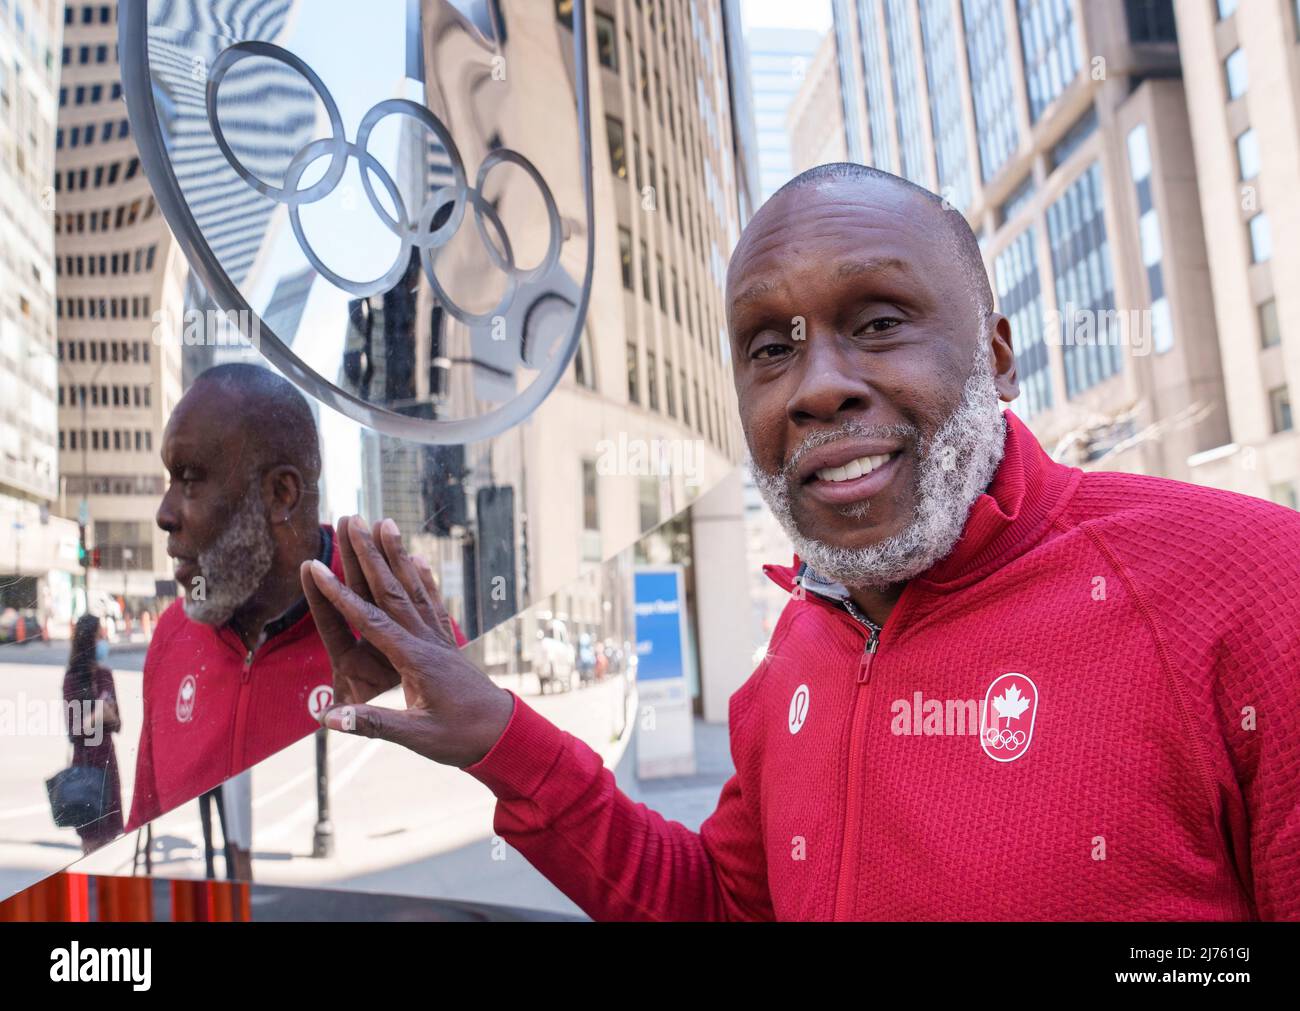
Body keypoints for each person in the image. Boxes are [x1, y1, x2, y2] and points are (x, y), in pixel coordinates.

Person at [300, 164, 1300, 921]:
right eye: (770, 348)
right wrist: (500, 741)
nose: (817, 385)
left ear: (996, 355)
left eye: (876, 321)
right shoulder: (798, 649)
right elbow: (720, 907)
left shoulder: (1255, 590)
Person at [125, 363, 467, 849]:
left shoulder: (399, 629)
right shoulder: (171, 635)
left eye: (190, 479)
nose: (164, 514)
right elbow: (147, 838)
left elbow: (483, 808)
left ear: (280, 493)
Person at [62, 613, 123, 854]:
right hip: (87, 766)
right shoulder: (73, 678)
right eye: (99, 636)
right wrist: (99, 714)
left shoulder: (106, 675)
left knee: (110, 835)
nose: (103, 642)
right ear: (88, 641)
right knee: (91, 840)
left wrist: (111, 716)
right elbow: (73, 730)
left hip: (108, 761)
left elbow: (118, 724)